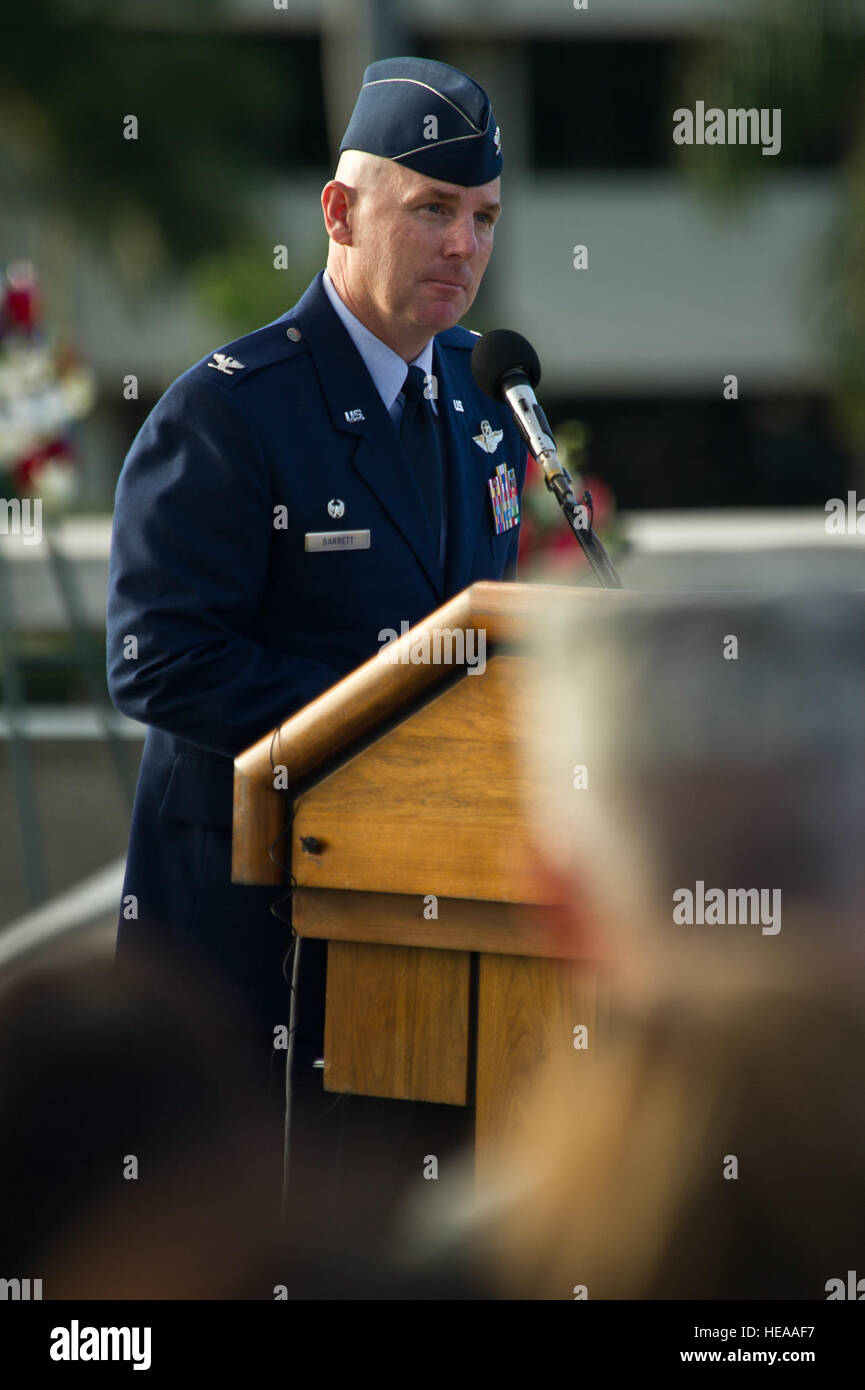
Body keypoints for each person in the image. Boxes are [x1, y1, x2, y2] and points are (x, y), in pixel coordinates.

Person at [106, 57, 527, 1223]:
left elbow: (488, 641)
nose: (462, 244)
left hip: (429, 926)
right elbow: (156, 657)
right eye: (430, 209)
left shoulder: (486, 406)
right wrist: (387, 715)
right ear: (340, 214)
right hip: (252, 928)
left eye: (483, 217)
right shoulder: (231, 410)